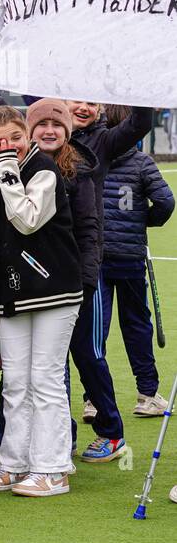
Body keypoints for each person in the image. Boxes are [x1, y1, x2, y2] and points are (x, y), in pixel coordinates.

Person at [0, 107, 81, 497]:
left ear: (27, 136)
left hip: (55, 289)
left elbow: (26, 219)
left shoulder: (44, 170)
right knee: (15, 382)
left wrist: (5, 170)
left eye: (14, 139)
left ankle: (53, 468)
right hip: (13, 290)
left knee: (46, 379)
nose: (7, 147)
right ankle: (13, 463)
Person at [61, 99, 153, 462]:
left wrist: (141, 91)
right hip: (48, 266)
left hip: (87, 267)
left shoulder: (102, 141)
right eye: (75, 100)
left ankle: (111, 432)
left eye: (91, 102)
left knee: (88, 351)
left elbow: (137, 126)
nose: (82, 107)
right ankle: (60, 435)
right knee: (51, 359)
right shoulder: (44, 137)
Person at [100, 115, 174, 417]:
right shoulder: (142, 162)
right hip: (130, 257)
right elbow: (166, 203)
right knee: (136, 324)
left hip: (96, 257)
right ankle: (147, 394)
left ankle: (94, 399)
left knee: (96, 328)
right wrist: (144, 222)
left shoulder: (91, 157)